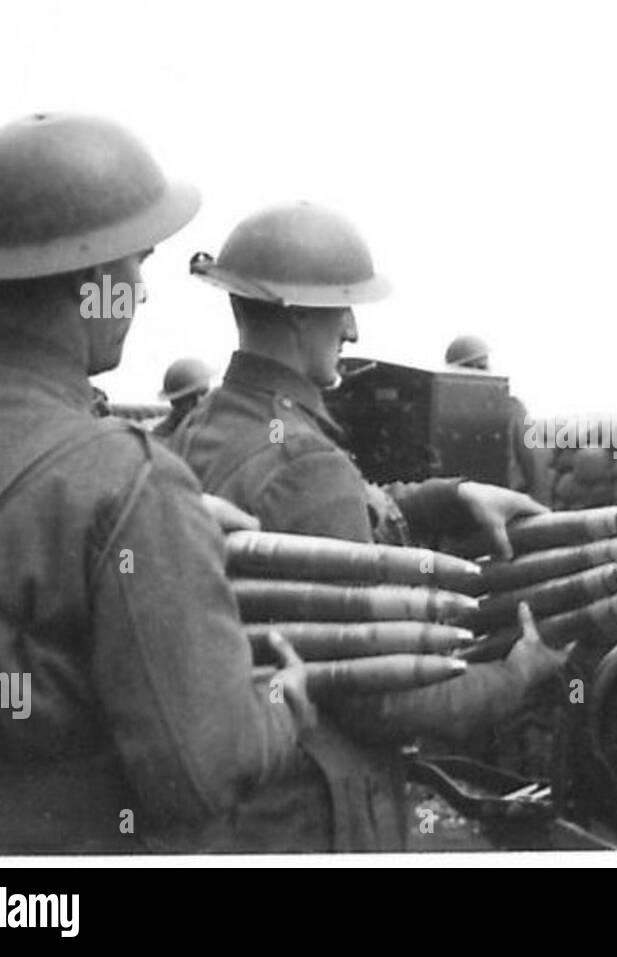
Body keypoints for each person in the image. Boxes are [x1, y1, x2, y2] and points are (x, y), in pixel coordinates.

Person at [0, 113, 316, 853]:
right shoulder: (125, 483)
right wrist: (282, 703)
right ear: (93, 283)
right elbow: (200, 770)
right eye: (136, 266)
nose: (141, 295)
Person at [169, 202, 569, 849]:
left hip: (239, 788)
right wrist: (516, 675)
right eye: (340, 307)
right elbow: (380, 698)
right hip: (309, 808)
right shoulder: (304, 458)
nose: (352, 330)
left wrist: (453, 496)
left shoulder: (204, 429)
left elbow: (315, 538)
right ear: (296, 312)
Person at [445, 334, 537, 495]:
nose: (477, 374)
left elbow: (531, 459)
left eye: (481, 367)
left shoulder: (512, 407)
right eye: (469, 367)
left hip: (507, 496)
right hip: (464, 498)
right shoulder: (444, 413)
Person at [153, 356, 216, 438]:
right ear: (174, 402)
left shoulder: (214, 427)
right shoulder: (159, 438)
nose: (199, 401)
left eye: (204, 393)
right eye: (190, 398)